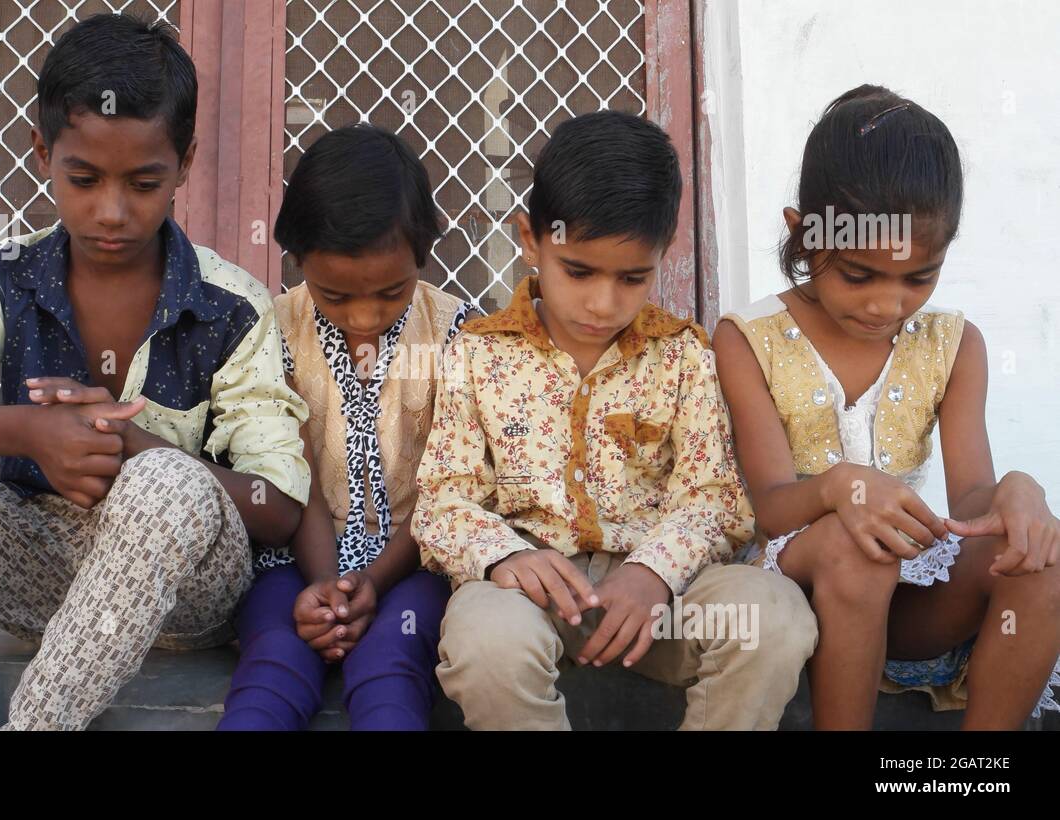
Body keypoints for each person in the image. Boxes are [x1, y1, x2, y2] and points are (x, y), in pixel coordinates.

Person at [0, 12, 309, 730]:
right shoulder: (7, 278)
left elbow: (278, 505)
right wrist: (31, 431)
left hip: (182, 594)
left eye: (142, 182)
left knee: (168, 484)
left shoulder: (231, 308)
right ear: (41, 152)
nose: (111, 210)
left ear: (186, 164)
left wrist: (129, 443)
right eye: (83, 177)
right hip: (35, 569)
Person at [414, 111, 818, 730]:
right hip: (527, 597)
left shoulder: (684, 355)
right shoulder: (477, 352)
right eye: (578, 271)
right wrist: (502, 559)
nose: (604, 303)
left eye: (633, 277)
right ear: (531, 239)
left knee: (774, 618)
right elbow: (443, 501)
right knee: (485, 645)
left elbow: (717, 500)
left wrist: (653, 571)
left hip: (663, 602)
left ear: (663, 256)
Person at [713, 84, 1060, 729]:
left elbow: (973, 500)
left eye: (918, 278)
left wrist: (1019, 491)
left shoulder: (954, 345)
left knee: (1044, 556)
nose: (887, 306)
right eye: (859, 275)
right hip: (795, 588)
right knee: (856, 546)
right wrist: (843, 487)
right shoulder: (746, 338)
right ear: (803, 234)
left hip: (912, 601)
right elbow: (769, 504)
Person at [219, 124, 478, 730]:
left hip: (416, 565)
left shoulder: (460, 336)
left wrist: (372, 580)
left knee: (391, 660)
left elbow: (452, 488)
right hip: (289, 562)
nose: (364, 318)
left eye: (390, 294)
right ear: (296, 259)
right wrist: (328, 586)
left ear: (424, 255)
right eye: (334, 295)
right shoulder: (271, 331)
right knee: (275, 657)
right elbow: (289, 466)